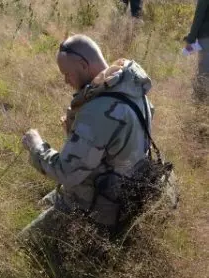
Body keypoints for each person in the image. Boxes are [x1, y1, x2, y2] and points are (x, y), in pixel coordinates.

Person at [20, 34, 169, 244]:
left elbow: (67, 172)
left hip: (99, 211)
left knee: (22, 244)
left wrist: (36, 146)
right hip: (121, 191)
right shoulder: (130, 87)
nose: (65, 81)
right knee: (43, 203)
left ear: (82, 65)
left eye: (67, 74)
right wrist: (74, 131)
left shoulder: (99, 110)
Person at [184, 0, 209, 101]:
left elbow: (199, 16)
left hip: (206, 37)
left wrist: (191, 39)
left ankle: (199, 102)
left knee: (204, 72)